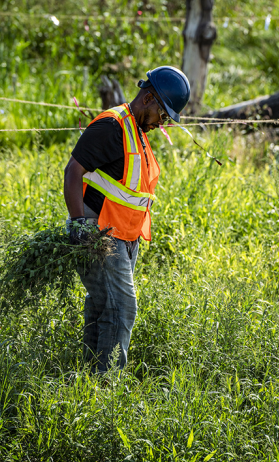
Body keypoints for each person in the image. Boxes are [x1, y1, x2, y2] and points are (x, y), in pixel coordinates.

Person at [63, 66, 190, 373]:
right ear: (147, 98)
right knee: (122, 309)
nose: (163, 123)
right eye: (163, 114)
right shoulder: (113, 126)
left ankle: (91, 378)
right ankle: (107, 388)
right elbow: (72, 172)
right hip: (101, 232)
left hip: (125, 235)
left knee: (103, 305)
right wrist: (79, 224)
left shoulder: (137, 130)